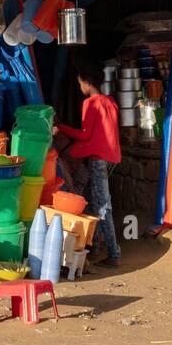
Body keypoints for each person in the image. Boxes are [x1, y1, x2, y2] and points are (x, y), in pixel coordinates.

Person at [55, 61, 123, 268]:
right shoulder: (110, 102)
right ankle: (95, 246)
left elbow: (85, 135)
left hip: (98, 159)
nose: (80, 87)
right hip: (111, 158)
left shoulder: (91, 103)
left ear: (86, 82)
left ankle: (113, 253)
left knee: (102, 206)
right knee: (93, 201)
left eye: (80, 83)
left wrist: (61, 128)